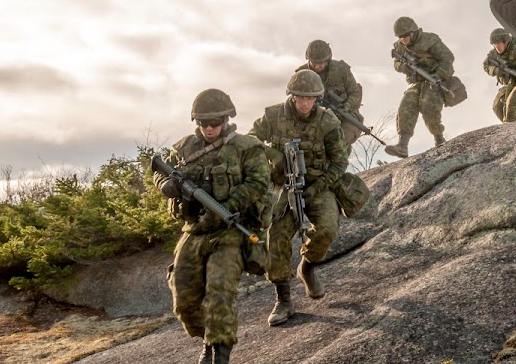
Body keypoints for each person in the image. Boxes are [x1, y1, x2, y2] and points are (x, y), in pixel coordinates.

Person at [155, 89, 270, 364]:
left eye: (214, 123)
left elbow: (257, 183)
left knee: (220, 291)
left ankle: (220, 351)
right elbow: (159, 173)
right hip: (194, 230)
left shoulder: (247, 147)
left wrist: (227, 208)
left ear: (226, 119)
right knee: (183, 301)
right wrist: (166, 186)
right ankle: (208, 336)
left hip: (229, 230)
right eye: (203, 123)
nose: (209, 129)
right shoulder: (183, 149)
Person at [249, 69, 348, 327]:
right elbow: (249, 141)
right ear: (292, 96)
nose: (305, 102)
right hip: (284, 185)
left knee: (327, 227)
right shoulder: (273, 116)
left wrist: (320, 186)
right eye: (300, 97)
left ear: (318, 98)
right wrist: (273, 154)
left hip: (317, 184)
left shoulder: (328, 123)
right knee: (277, 235)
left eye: (311, 97)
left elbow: (339, 162)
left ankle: (307, 266)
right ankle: (283, 300)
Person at [388, 16, 455, 156]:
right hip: (417, 81)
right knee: (406, 105)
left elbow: (448, 58)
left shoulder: (430, 40)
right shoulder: (400, 46)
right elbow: (396, 63)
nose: (404, 40)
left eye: (406, 36)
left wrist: (438, 74)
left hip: (435, 79)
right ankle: (402, 145)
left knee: (429, 107)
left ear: (413, 32)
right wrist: (404, 68)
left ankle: (439, 139)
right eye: (401, 37)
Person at [297, 39, 364, 145]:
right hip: (315, 119)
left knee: (339, 144)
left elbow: (355, 93)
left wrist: (347, 105)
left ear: (328, 59)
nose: (318, 66)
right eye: (314, 63)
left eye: (321, 62)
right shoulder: (301, 76)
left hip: (346, 117)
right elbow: (296, 101)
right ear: (308, 60)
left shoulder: (341, 70)